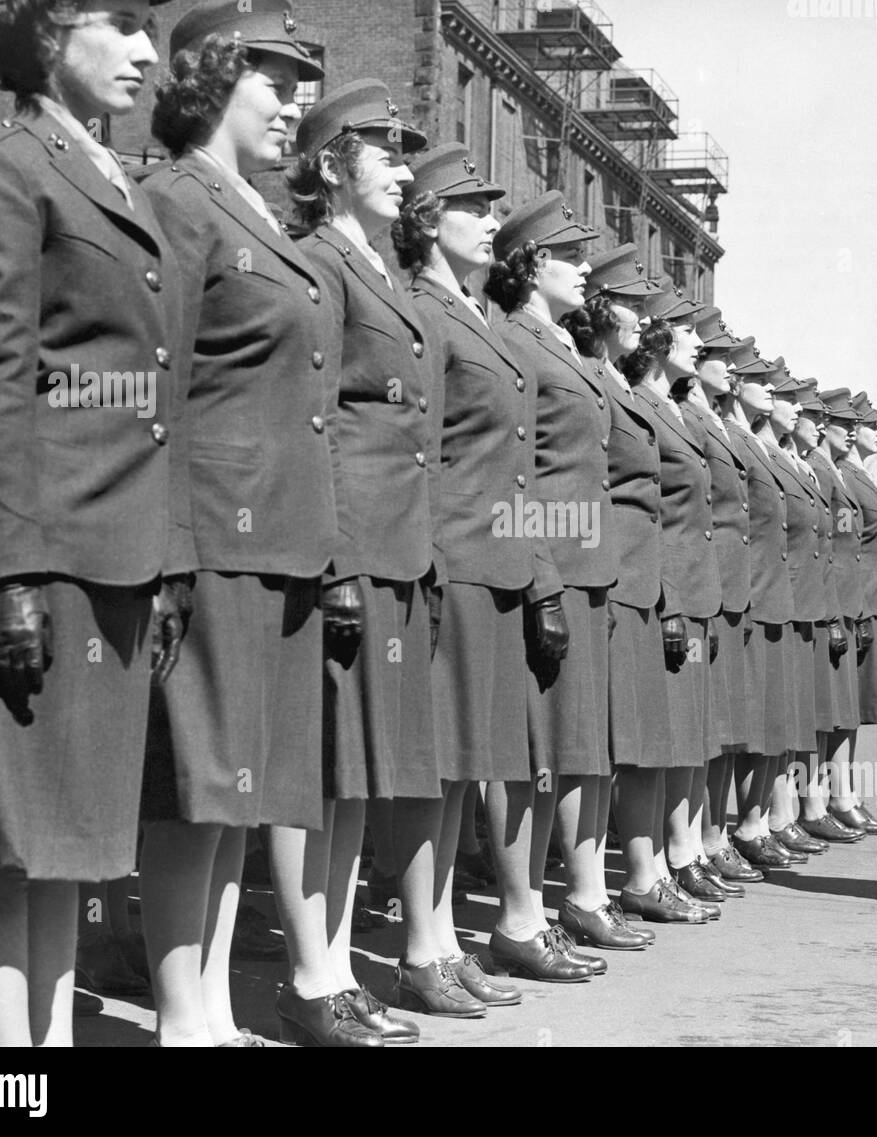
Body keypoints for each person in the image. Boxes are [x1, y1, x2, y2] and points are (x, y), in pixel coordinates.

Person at [0, 0, 187, 1046]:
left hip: (121, 549)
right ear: (49, 37)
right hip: (47, 548)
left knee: (74, 842)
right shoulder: (5, 164)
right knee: (14, 841)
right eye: (121, 22)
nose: (148, 52)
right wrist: (8, 570)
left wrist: (170, 553)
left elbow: (153, 388)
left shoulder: (112, 172)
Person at [135, 0, 337, 1047]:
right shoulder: (176, 200)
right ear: (212, 77)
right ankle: (182, 1021)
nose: (295, 103)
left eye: (303, 82)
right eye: (276, 79)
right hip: (213, 533)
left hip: (279, 541)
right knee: (197, 792)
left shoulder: (249, 208)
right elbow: (153, 385)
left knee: (239, 799)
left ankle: (211, 1011)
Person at [271, 78, 437, 1043]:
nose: (407, 169)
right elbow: (317, 416)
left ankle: (332, 965)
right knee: (317, 769)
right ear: (333, 162)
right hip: (346, 545)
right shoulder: (319, 262)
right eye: (388, 151)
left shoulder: (367, 263)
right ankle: (307, 974)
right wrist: (331, 551)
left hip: (390, 546)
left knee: (354, 772)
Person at [391, 140, 529, 1008]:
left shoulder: (473, 313)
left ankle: (441, 936)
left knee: (465, 763)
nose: (490, 223)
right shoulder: (424, 312)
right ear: (429, 220)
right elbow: (420, 452)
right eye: (473, 208)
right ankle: (416, 946)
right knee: (433, 762)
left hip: (493, 562)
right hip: (447, 558)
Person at [484, 190, 612, 979]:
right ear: (531, 265)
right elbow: (518, 473)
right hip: (544, 562)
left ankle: (540, 909)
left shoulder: (557, 343)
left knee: (560, 751)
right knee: (523, 752)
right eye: (570, 255)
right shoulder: (515, 343)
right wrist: (541, 577)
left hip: (584, 564)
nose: (586, 266)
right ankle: (517, 916)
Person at [562, 245, 701, 927]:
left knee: (639, 741)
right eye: (633, 306)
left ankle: (643, 876)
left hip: (642, 582)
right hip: (608, 577)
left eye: (649, 311)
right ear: (600, 307)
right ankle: (592, 888)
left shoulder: (617, 384)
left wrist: (668, 596)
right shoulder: (597, 380)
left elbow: (659, 511)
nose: (643, 321)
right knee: (596, 745)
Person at [624, 290, 726, 918]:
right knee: (656, 739)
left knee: (684, 733)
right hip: (666, 593)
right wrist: (667, 599)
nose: (699, 344)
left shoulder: (678, 411)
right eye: (688, 333)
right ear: (659, 339)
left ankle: (674, 861)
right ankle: (648, 873)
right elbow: (648, 515)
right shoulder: (642, 405)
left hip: (693, 592)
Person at [682, 319, 767, 889]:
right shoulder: (688, 415)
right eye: (722, 356)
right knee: (696, 728)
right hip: (693, 585)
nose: (732, 368)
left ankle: (705, 840)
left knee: (716, 728)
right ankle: (688, 846)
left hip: (725, 588)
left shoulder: (715, 420)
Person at [723, 354, 806, 871]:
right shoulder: (736, 439)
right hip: (745, 594)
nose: (778, 398)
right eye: (763, 385)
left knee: (770, 724)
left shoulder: (755, 443)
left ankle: (757, 823)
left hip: (772, 595)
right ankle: (726, 834)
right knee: (734, 729)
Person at [758, 371, 830, 859]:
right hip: (761, 597)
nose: (807, 417)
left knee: (790, 718)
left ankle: (773, 818)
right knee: (759, 723)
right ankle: (755, 823)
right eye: (793, 402)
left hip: (797, 600)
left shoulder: (803, 463)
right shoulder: (760, 450)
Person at [807, 389, 877, 835]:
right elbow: (836, 550)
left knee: (845, 708)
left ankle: (840, 796)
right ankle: (823, 801)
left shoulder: (841, 473)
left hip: (857, 601)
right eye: (851, 422)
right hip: (836, 603)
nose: (861, 429)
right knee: (829, 708)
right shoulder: (829, 473)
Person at [790, 380, 864, 845]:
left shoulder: (827, 471)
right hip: (815, 601)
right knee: (813, 713)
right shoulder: (815, 467)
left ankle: (829, 800)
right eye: (840, 423)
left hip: (836, 601)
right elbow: (829, 550)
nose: (851, 432)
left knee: (833, 712)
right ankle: (811, 804)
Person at [839, 391, 877, 831]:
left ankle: (843, 793)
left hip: (871, 600)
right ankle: (835, 797)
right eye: (870, 425)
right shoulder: (845, 477)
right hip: (857, 601)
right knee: (842, 706)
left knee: (853, 707)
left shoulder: (859, 475)